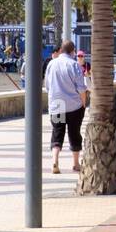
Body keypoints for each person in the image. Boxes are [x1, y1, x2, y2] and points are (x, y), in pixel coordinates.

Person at [46, 42, 87, 174]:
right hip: (74, 105)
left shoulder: (51, 64)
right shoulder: (74, 64)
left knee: (57, 133)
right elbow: (81, 87)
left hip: (57, 104)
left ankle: (55, 161)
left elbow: (47, 85)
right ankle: (75, 164)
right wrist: (83, 102)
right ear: (72, 51)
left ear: (61, 50)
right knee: (74, 133)